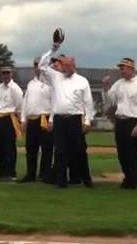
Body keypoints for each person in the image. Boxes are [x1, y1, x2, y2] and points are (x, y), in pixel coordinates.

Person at [37, 31, 95, 188]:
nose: (62, 67)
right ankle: (61, 181)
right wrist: (53, 48)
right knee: (60, 151)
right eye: (61, 65)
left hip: (75, 119)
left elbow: (88, 103)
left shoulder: (82, 81)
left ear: (72, 65)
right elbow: (42, 65)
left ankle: (86, 179)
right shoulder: (56, 77)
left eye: (65, 65)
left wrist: (88, 121)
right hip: (59, 119)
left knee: (80, 151)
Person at [101, 57, 137, 189]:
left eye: (123, 68)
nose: (121, 71)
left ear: (131, 68)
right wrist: (106, 87)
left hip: (133, 121)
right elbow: (110, 100)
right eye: (120, 68)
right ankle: (127, 177)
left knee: (131, 152)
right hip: (120, 120)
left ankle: (134, 180)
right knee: (121, 152)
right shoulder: (118, 84)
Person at [20, 57, 55, 184]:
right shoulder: (31, 83)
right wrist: (23, 119)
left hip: (45, 119)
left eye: (40, 65)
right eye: (35, 65)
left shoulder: (51, 84)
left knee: (47, 149)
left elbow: (55, 103)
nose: (37, 67)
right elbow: (25, 102)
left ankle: (44, 174)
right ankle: (30, 174)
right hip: (32, 120)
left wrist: (51, 119)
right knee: (31, 148)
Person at [0, 65, 24, 181]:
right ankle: (2, 171)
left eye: (8, 73)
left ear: (11, 74)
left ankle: (11, 172)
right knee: (0, 146)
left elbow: (20, 104)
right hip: (1, 118)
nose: (6, 76)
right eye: (4, 73)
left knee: (10, 146)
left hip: (10, 118)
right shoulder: (0, 87)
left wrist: (20, 120)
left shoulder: (15, 88)